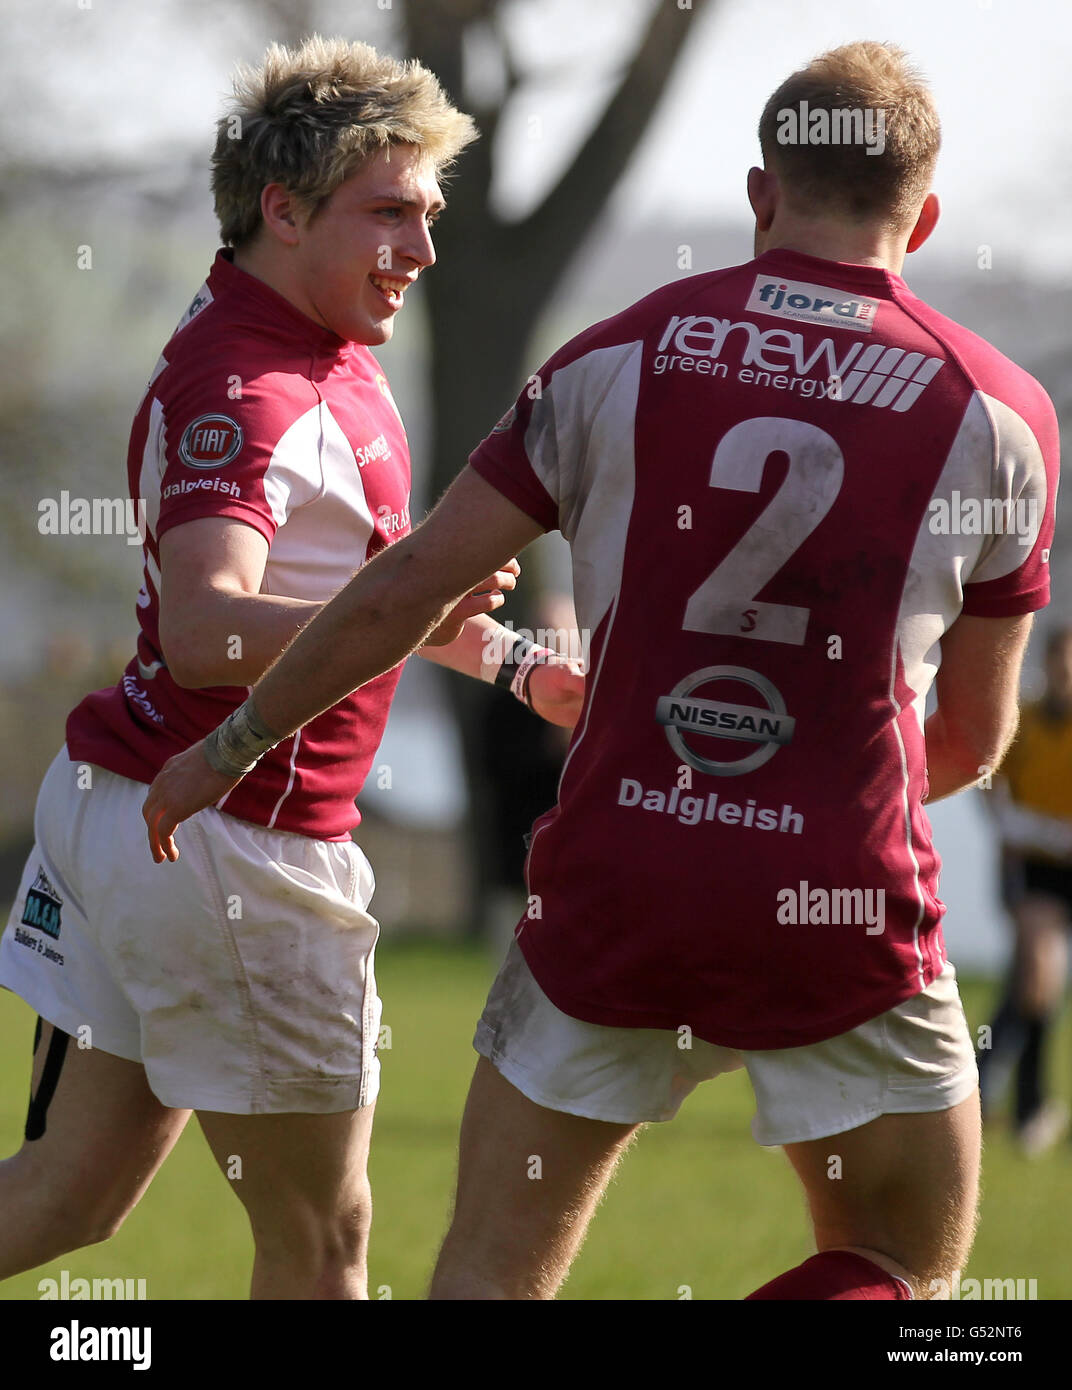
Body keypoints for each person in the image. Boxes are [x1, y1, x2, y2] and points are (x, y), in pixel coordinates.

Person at [143, 41, 1059, 1300]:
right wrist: (793, 803)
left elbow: (403, 591)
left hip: (616, 878)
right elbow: (974, 737)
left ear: (758, 194)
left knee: (491, 1270)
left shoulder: (614, 357)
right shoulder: (1001, 415)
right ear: (926, 214)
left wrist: (220, 748)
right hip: (839, 900)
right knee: (899, 1262)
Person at [0, 35, 581, 1300]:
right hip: (223, 842)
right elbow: (214, 628)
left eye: (430, 214)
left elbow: (374, 603)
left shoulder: (339, 365)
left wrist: (524, 665)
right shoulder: (250, 387)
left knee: (68, 1194)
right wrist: (415, 609)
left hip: (138, 816)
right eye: (390, 213)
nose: (421, 250)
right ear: (283, 207)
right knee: (324, 1247)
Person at [978, 626, 1072, 1154]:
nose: (1065, 672)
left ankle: (983, 1086)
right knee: (1038, 978)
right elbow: (988, 778)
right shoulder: (1027, 722)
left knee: (1029, 989)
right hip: (1039, 870)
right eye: (1059, 661)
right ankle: (1029, 1108)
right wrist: (1018, 827)